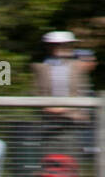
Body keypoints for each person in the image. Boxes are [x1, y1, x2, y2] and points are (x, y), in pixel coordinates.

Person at [30, 29, 94, 168]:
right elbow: (35, 92)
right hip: (48, 121)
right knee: (49, 158)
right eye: (55, 45)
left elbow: (83, 92)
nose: (59, 48)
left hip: (73, 121)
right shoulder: (40, 67)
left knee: (71, 159)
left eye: (64, 45)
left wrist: (66, 108)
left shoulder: (78, 67)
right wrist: (48, 108)